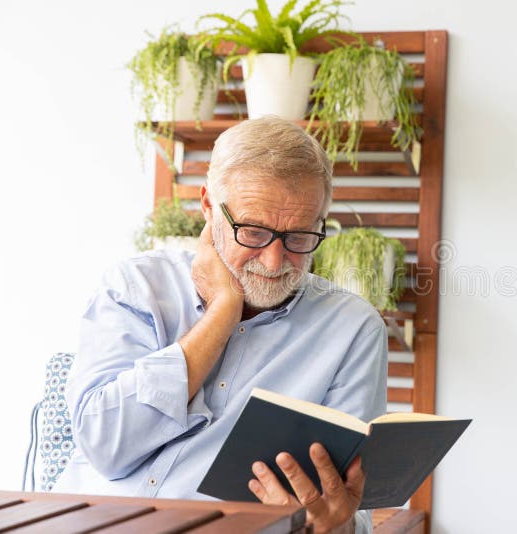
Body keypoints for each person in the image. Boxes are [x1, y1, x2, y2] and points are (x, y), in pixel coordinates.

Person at [53, 117, 388, 534]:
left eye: (300, 237)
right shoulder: (136, 288)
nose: (274, 261)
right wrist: (222, 313)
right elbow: (105, 445)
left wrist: (333, 526)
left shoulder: (352, 330)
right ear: (209, 207)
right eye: (252, 232)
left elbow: (352, 509)